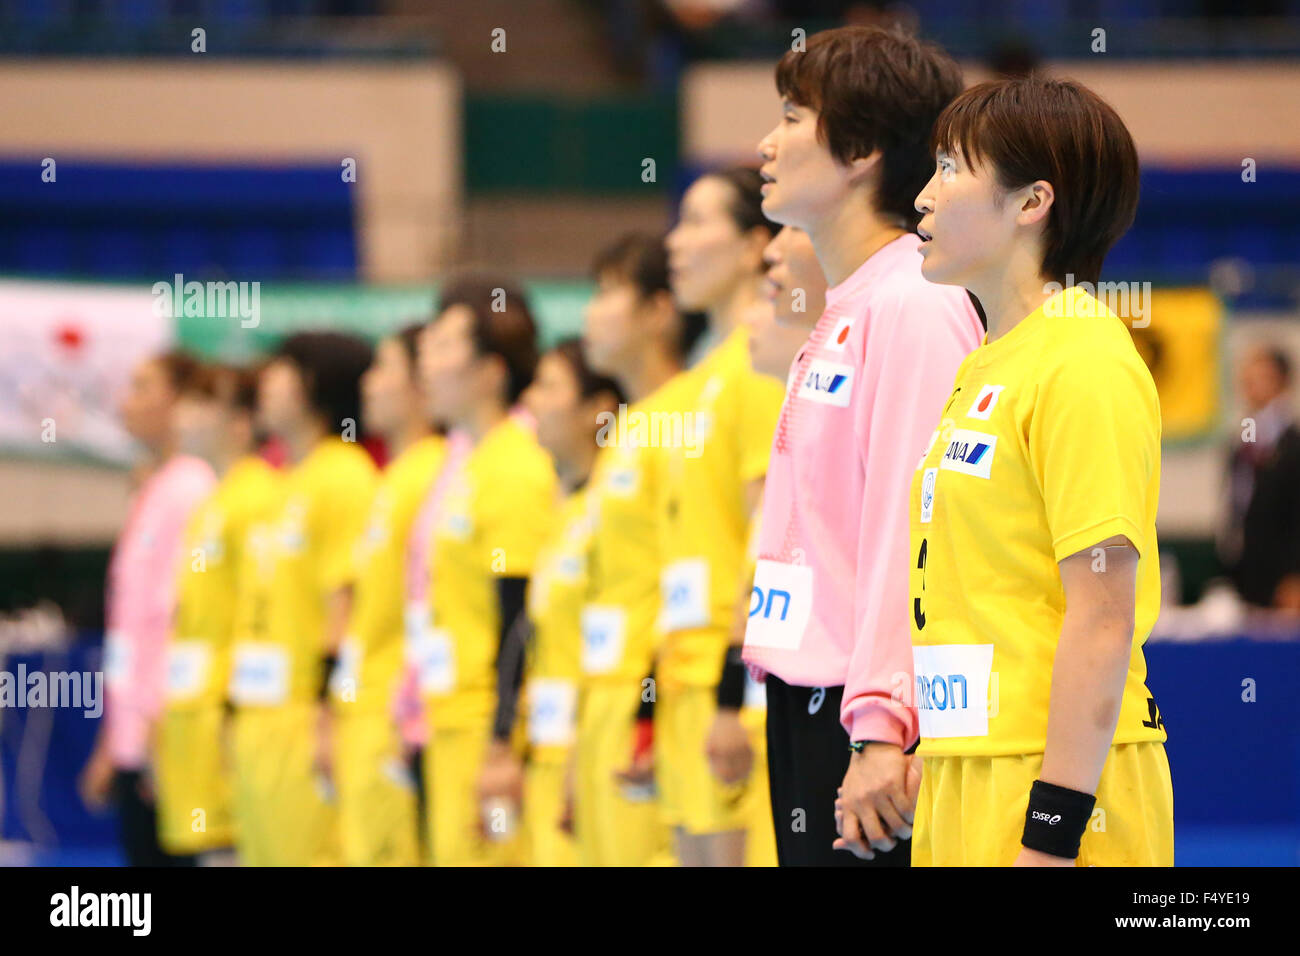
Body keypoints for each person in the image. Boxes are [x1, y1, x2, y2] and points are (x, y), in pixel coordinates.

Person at [908, 75, 1172, 866]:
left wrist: (1053, 827)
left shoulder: (1085, 361)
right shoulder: (986, 364)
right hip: (967, 765)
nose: (922, 196)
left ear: (1033, 203)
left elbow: (1101, 613)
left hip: (1059, 790)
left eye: (952, 167)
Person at [744, 25, 981, 867]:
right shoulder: (848, 305)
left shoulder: (915, 302)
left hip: (864, 713)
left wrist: (885, 724)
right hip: (805, 697)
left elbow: (910, 528)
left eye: (792, 116)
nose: (766, 144)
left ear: (861, 149)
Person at [659, 167, 785, 866]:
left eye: (698, 221)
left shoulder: (760, 364)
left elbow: (769, 539)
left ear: (751, 247)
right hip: (684, 682)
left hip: (730, 690)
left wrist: (734, 691)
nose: (676, 243)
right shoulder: (698, 381)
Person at [410, 278, 557, 866]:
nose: (426, 361)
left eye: (444, 345)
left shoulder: (516, 464)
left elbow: (519, 617)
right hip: (449, 724)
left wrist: (502, 746)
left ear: (491, 370)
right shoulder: (471, 462)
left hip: (487, 740)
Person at [228, 332, 377, 866]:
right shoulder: (279, 484)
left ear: (315, 384)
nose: (265, 382)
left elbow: (349, 603)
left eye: (282, 370)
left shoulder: (346, 476)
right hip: (259, 720)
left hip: (306, 720)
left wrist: (326, 716)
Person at [482, 339, 625, 865]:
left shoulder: (613, 509)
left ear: (598, 409)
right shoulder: (564, 512)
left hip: (593, 759)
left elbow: (618, 637)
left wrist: (580, 760)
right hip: (548, 755)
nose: (532, 402)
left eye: (549, 386)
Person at [575, 233, 689, 866]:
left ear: (659, 311)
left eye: (609, 292)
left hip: (653, 705)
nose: (591, 311)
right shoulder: (628, 427)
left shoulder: (685, 420)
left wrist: (650, 714)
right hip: (604, 701)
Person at [80, 350, 216, 867]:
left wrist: (164, 736)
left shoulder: (193, 488)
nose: (125, 402)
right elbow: (131, 632)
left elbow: (185, 621)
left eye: (142, 388)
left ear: (180, 403)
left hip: (168, 740)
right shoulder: (154, 489)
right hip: (138, 740)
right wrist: (114, 737)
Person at [329, 327, 446, 866]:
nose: (369, 384)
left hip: (396, 715)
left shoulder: (436, 475)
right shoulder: (389, 478)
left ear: (423, 385)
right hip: (363, 711)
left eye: (385, 369)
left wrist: (411, 715)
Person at [155, 363, 279, 864]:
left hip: (235, 723)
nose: (184, 416)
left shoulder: (260, 499)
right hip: (196, 719)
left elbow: (265, 616)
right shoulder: (212, 504)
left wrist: (237, 713)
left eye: (203, 405)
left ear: (241, 424)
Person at [1218, 345, 1300, 612]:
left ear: (1281, 382)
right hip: (1246, 571)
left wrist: (1293, 576)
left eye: (1260, 378)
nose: (1250, 386)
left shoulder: (1292, 445)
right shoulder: (1242, 441)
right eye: (1246, 379)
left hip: (1284, 576)